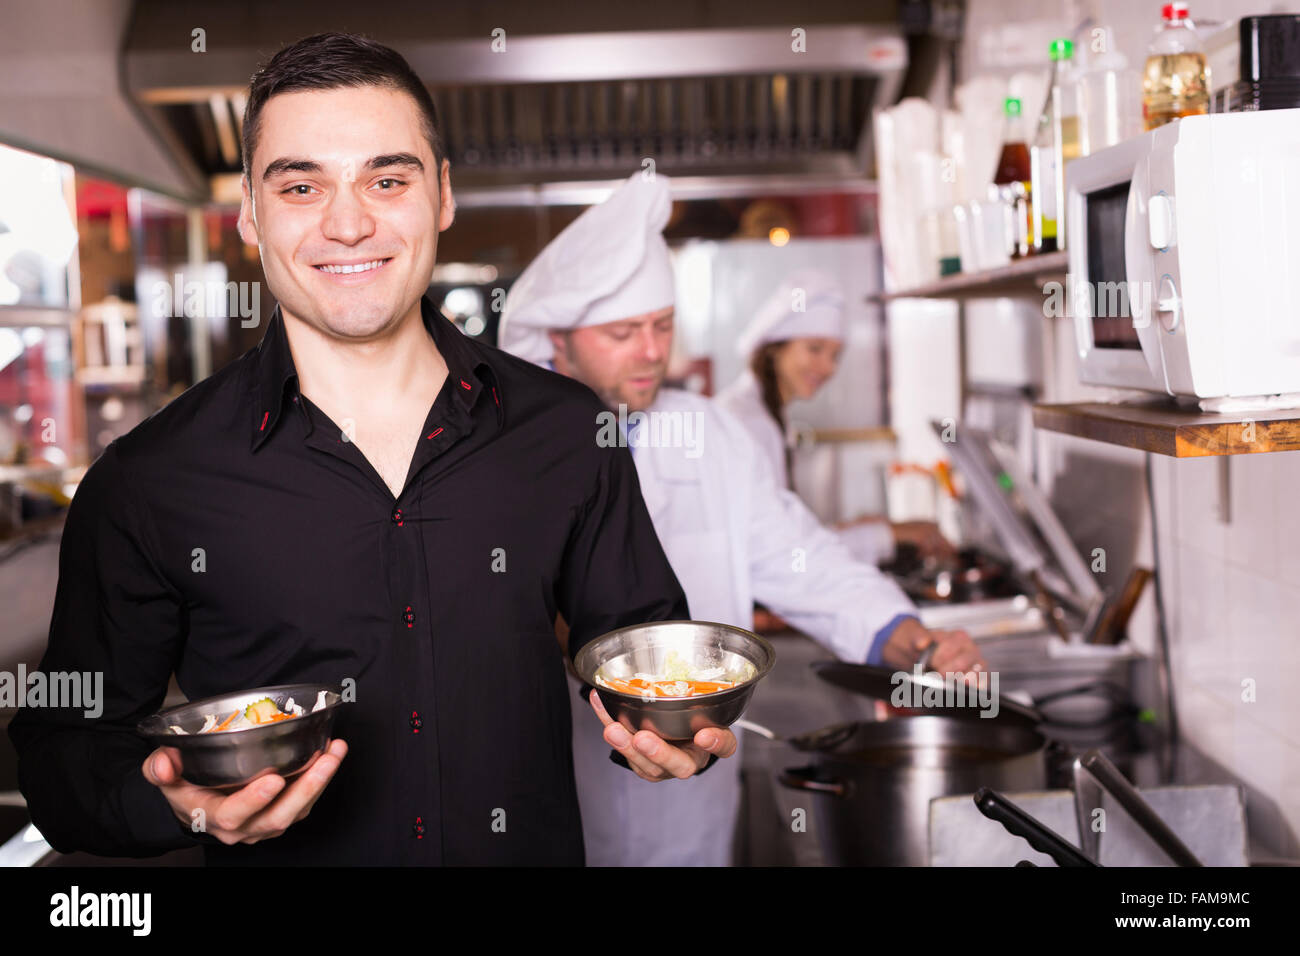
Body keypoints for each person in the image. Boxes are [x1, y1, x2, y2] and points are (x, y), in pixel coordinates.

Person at [7, 33, 737, 867]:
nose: (349, 223)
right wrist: (175, 803)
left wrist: (670, 732)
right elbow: (65, 757)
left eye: (387, 180)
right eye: (302, 184)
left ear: (443, 196)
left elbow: (644, 649)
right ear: (250, 212)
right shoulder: (148, 482)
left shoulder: (569, 430)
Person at [498, 170, 986, 866]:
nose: (649, 351)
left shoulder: (709, 434)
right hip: (559, 797)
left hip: (692, 807)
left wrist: (912, 640)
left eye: (661, 326)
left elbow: (801, 557)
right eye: (621, 331)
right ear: (559, 342)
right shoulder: (503, 456)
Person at [716, 268, 954, 568]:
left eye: (835, 355)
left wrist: (860, 530)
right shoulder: (750, 423)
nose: (827, 367)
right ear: (775, 348)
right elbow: (780, 552)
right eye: (814, 349)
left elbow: (785, 533)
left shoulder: (765, 414)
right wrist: (888, 533)